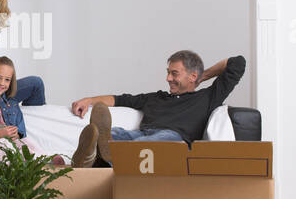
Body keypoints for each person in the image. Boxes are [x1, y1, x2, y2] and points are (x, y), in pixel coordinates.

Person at [70, 50, 246, 166]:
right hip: (141, 134)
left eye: (174, 73)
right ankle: (94, 156)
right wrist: (89, 100)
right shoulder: (156, 97)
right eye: (168, 72)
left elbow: (238, 63)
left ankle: (105, 155)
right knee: (113, 133)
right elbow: (120, 99)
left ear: (192, 76)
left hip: (174, 139)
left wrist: (202, 76)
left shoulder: (207, 98)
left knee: (144, 143)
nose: (168, 78)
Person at [0, 56, 73, 165]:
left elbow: (20, 126)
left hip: (13, 140)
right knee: (5, 149)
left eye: (7, 80)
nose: (2, 83)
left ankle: (45, 160)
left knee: (28, 145)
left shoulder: (11, 102)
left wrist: (18, 134)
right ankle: (26, 163)